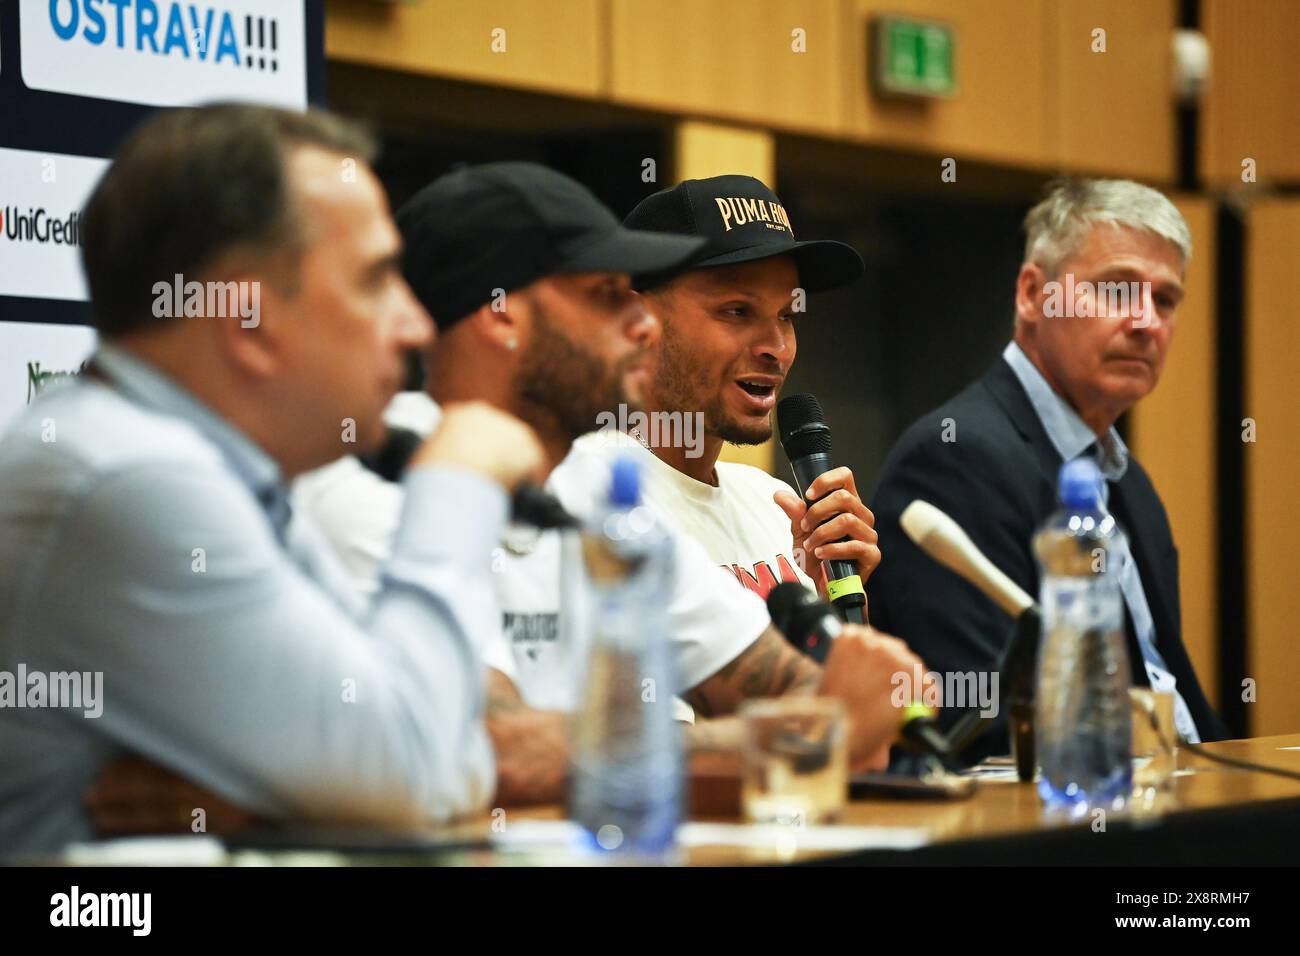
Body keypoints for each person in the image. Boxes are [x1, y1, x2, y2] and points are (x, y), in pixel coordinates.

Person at [293, 162, 932, 804]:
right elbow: (487, 749)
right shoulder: (370, 483)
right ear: (502, 318)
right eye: (606, 297)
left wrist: (838, 703)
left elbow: (800, 689)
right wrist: (814, 728)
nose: (640, 327)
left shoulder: (596, 487)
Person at [0, 103, 546, 853]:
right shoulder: (128, 478)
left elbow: (432, 763)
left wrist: (290, 803)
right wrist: (458, 478)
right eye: (377, 280)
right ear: (249, 321)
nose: (417, 326)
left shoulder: (224, 472)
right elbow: (414, 770)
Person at [868, 178, 1227, 759]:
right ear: (1033, 294)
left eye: (1165, 300)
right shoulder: (956, 456)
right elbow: (985, 723)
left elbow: (1169, 686)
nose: (1147, 323)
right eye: (1116, 291)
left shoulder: (1127, 482)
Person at [622, 175, 882, 608]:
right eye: (738, 311)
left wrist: (833, 610)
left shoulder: (773, 505)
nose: (777, 349)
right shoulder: (587, 506)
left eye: (786, 316)